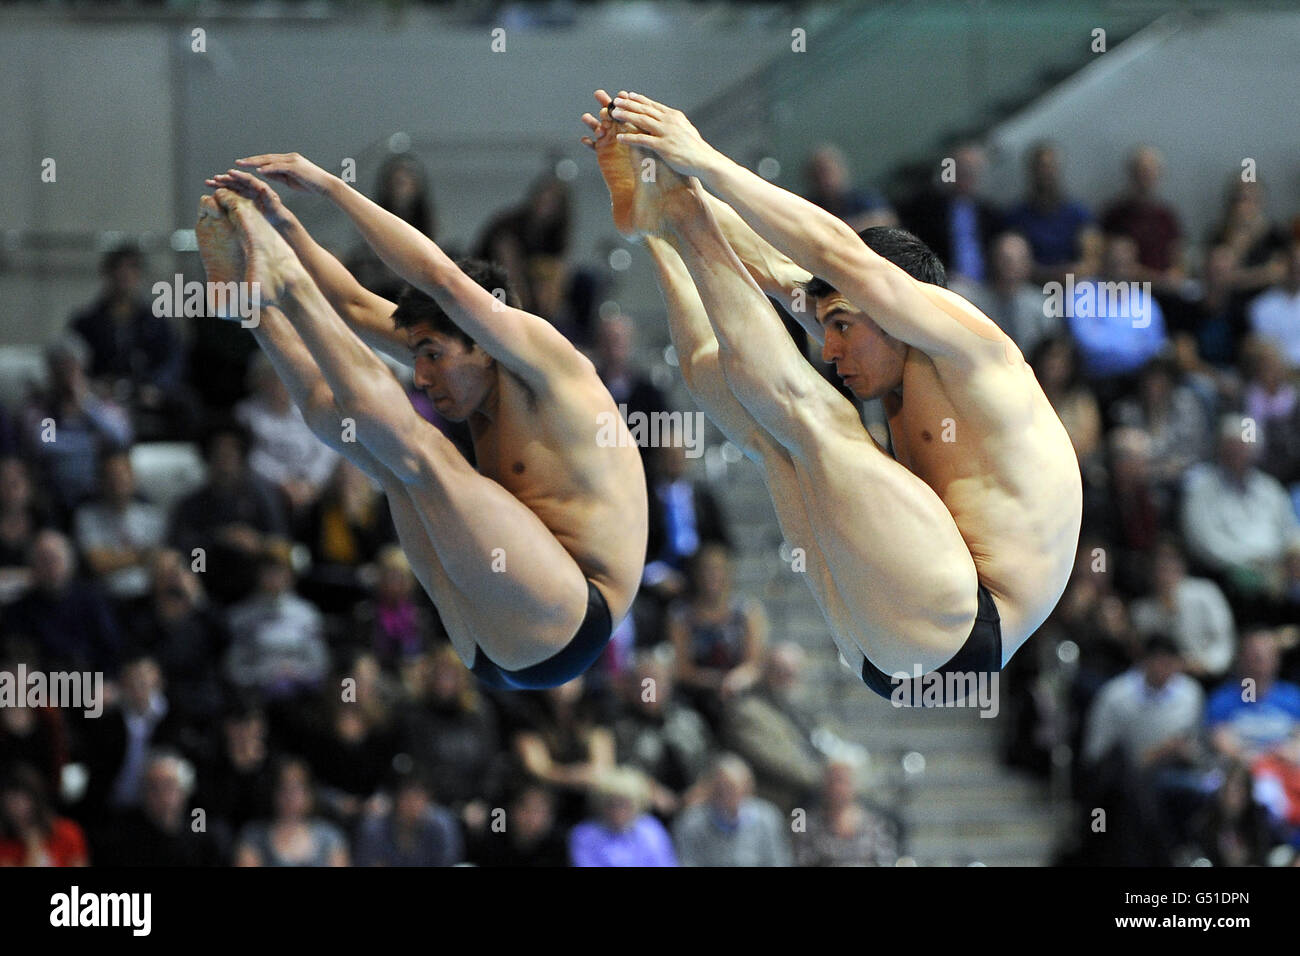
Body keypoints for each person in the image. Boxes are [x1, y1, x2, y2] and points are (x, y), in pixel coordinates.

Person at [583, 90, 1081, 703]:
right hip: (888, 638)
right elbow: (779, 269)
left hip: (967, 620)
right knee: (738, 397)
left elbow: (841, 254)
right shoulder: (889, 339)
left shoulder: (978, 351)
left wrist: (703, 159)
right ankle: (664, 230)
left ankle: (678, 216)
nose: (831, 348)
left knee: (816, 418)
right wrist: (658, 175)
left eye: (844, 328)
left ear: (893, 302)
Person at [200, 157, 647, 691]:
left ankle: (286, 284)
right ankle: (263, 312)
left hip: (570, 616)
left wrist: (328, 187)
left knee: (422, 452)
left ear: (481, 339)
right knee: (379, 452)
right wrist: (286, 225)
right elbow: (351, 305)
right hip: (487, 642)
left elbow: (442, 278)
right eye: (420, 359)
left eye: (434, 355)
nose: (424, 377)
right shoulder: (470, 367)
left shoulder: (551, 366)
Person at [671, 753, 791, 866]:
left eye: (732, 788)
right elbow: (687, 862)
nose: (726, 795)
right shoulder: (690, 823)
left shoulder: (768, 818)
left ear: (748, 788)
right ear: (709, 789)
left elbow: (779, 862)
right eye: (719, 789)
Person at [234, 757, 349, 867]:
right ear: (272, 791)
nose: (291, 796)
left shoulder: (330, 837)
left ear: (310, 793)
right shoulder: (254, 836)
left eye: (298, 788)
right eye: (284, 788)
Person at [567, 766, 678, 866]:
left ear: (637, 805)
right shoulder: (584, 835)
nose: (618, 811)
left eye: (625, 804)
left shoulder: (651, 830)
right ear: (600, 804)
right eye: (611, 804)